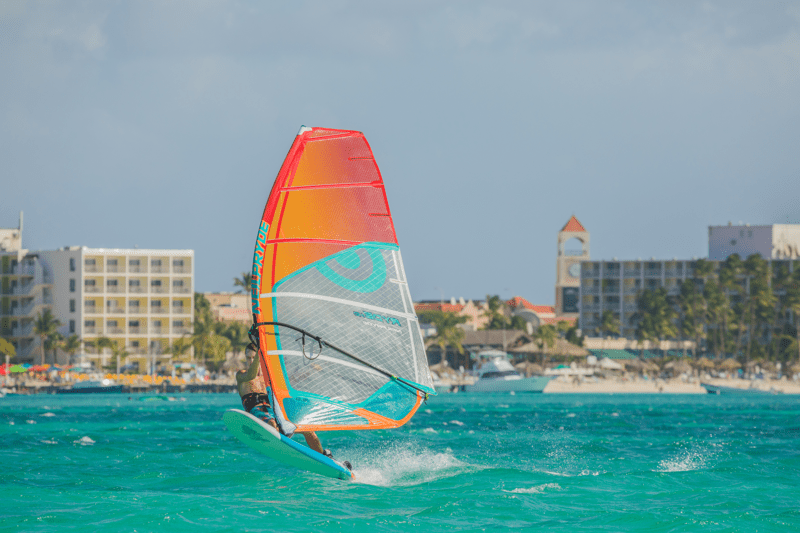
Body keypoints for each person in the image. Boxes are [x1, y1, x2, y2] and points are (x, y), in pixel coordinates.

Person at [236, 342, 327, 456]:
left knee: (306, 427)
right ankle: (284, 447)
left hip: (273, 412)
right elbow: (251, 375)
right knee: (272, 423)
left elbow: (291, 380)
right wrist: (260, 353)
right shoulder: (242, 375)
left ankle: (323, 456)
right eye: (248, 358)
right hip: (257, 414)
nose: (250, 361)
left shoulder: (268, 377)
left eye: (253, 357)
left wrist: (308, 371)